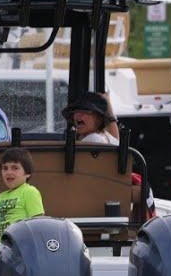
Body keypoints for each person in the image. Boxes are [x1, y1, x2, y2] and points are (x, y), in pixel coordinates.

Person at [63, 91, 156, 220]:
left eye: (85, 111)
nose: (78, 114)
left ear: (99, 118)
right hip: (109, 199)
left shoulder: (92, 140)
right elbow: (117, 140)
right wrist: (109, 108)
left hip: (84, 199)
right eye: (76, 111)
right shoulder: (105, 138)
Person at [0, 147, 45, 259]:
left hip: (23, 253)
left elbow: (38, 226)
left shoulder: (29, 192)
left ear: (27, 173)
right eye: (5, 168)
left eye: (15, 168)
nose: (9, 172)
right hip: (1, 254)